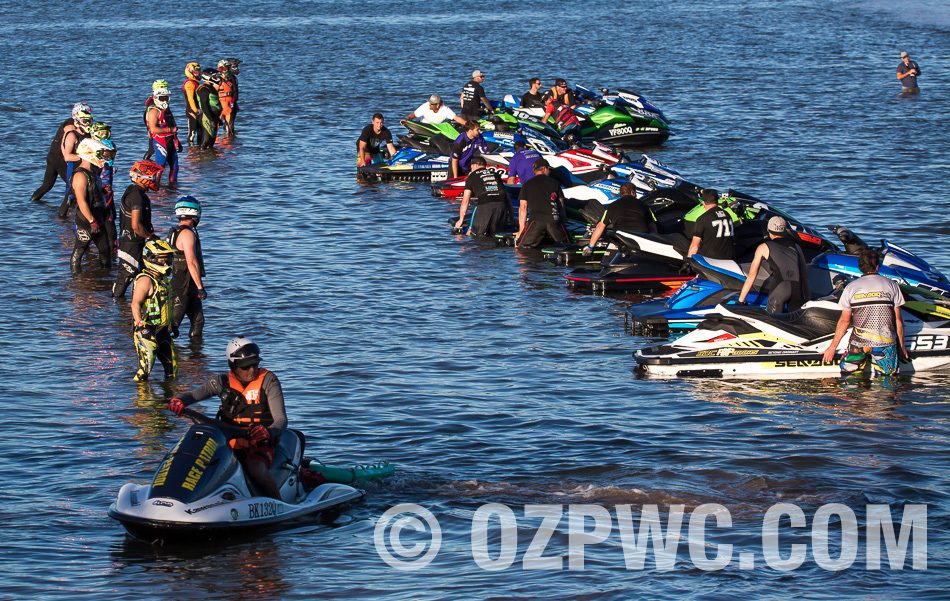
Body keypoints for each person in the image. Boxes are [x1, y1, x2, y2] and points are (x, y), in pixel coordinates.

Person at [168, 337, 287, 499]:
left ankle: (277, 504)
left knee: (255, 469)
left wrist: (268, 432)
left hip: (260, 443)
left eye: (255, 363)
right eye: (245, 366)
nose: (252, 369)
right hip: (228, 440)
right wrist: (179, 400)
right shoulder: (220, 382)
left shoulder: (269, 381)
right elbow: (193, 395)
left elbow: (281, 419)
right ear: (233, 365)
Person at [822, 248, 908, 378]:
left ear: (860, 268)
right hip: (884, 343)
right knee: (887, 384)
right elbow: (898, 321)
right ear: (878, 266)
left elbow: (844, 321)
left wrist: (832, 347)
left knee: (850, 381)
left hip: (859, 344)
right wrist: (901, 347)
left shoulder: (851, 288)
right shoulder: (892, 285)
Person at [736, 216, 810, 312]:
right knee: (793, 323)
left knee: (774, 321)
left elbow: (752, 275)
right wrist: (807, 300)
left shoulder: (763, 247)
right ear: (784, 230)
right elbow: (804, 275)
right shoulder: (797, 246)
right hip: (798, 289)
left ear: (768, 230)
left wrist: (741, 301)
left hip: (780, 288)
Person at [113, 161, 162, 298]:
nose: (157, 180)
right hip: (131, 243)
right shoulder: (136, 196)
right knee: (127, 275)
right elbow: (135, 225)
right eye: (155, 176)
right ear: (145, 178)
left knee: (142, 273)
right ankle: (115, 306)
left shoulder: (136, 192)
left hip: (135, 242)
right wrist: (150, 237)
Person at [131, 239, 178, 381]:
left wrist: (172, 324)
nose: (166, 263)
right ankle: (141, 400)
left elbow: (166, 305)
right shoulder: (145, 280)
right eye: (162, 259)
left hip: (163, 331)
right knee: (144, 372)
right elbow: (135, 304)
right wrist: (140, 325)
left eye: (168, 259)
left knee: (172, 371)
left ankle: (169, 399)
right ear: (150, 258)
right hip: (148, 331)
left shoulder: (162, 279)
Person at [32, 103, 91, 204]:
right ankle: (67, 211)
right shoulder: (70, 125)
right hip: (59, 159)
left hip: (53, 157)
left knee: (47, 186)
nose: (87, 118)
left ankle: (32, 202)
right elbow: (69, 145)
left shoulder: (83, 126)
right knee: (73, 185)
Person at [70, 138, 112, 272]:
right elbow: (81, 201)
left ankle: (105, 279)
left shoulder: (93, 173)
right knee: (80, 249)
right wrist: (91, 221)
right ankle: (76, 279)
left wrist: (106, 211)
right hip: (87, 220)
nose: (102, 158)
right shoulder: (80, 176)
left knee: (105, 249)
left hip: (98, 216)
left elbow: (97, 193)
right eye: (99, 154)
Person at [167, 196, 207, 339]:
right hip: (182, 286)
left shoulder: (175, 231)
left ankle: (195, 354)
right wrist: (200, 288)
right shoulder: (187, 234)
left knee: (198, 321)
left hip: (187, 285)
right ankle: (163, 353)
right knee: (172, 324)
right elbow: (191, 262)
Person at [582, 183, 657, 256]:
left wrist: (590, 247)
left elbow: (600, 226)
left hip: (622, 240)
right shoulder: (643, 205)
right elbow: (654, 224)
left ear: (621, 193)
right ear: (632, 192)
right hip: (642, 239)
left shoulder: (611, 206)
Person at [515, 159, 570, 248]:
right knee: (566, 246)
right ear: (544, 169)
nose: (549, 171)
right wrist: (563, 222)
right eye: (549, 169)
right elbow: (561, 204)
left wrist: (521, 230)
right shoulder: (554, 182)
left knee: (522, 247)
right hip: (553, 219)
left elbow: (523, 207)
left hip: (536, 221)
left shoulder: (527, 184)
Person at [453, 156, 510, 236]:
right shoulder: (496, 174)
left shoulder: (471, 176)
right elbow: (506, 196)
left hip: (485, 205)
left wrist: (461, 220)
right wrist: (510, 217)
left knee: (477, 235)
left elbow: (465, 201)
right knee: (497, 234)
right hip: (502, 204)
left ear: (474, 165)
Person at [56, 103, 94, 217]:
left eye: (89, 121)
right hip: (74, 169)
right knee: (70, 194)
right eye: (85, 121)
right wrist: (85, 156)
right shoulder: (72, 135)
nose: (88, 124)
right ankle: (62, 219)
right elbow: (67, 156)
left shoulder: (90, 135)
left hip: (88, 170)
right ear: (77, 121)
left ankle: (81, 217)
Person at [146, 79, 180, 185]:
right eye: (162, 98)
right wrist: (169, 130)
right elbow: (153, 129)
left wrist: (178, 142)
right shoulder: (153, 112)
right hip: (161, 141)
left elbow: (173, 125)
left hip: (171, 141)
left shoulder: (167, 110)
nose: (165, 101)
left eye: (166, 98)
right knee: (160, 167)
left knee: (175, 166)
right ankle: (156, 187)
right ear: (156, 98)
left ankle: (172, 188)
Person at [90, 125, 118, 252]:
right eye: (107, 154)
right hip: (99, 195)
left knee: (111, 218)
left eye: (112, 153)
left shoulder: (107, 166)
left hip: (108, 194)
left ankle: (112, 247)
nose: (110, 157)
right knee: (106, 219)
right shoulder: (95, 164)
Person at [687, 188, 735, 260]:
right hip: (728, 258)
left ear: (703, 202)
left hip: (711, 260)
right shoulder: (727, 215)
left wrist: (688, 262)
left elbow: (695, 246)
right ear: (717, 201)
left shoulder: (702, 218)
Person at [196, 68, 223, 149]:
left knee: (212, 141)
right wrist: (211, 119)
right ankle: (202, 158)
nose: (218, 78)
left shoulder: (212, 88)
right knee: (206, 140)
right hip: (206, 117)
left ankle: (211, 159)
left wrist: (217, 119)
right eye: (215, 77)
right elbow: (204, 106)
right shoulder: (203, 89)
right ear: (208, 77)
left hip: (213, 117)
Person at [182, 62, 202, 145]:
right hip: (193, 111)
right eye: (196, 72)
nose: (198, 74)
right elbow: (191, 99)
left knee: (201, 131)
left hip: (198, 110)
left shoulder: (195, 82)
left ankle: (199, 149)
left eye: (199, 71)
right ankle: (191, 151)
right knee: (192, 133)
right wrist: (195, 110)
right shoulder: (189, 83)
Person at [217, 60, 237, 137]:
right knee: (215, 126)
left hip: (229, 104)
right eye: (225, 68)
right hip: (219, 104)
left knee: (230, 128)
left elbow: (235, 91)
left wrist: (233, 101)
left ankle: (229, 142)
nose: (226, 70)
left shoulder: (232, 78)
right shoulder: (216, 78)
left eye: (228, 67)